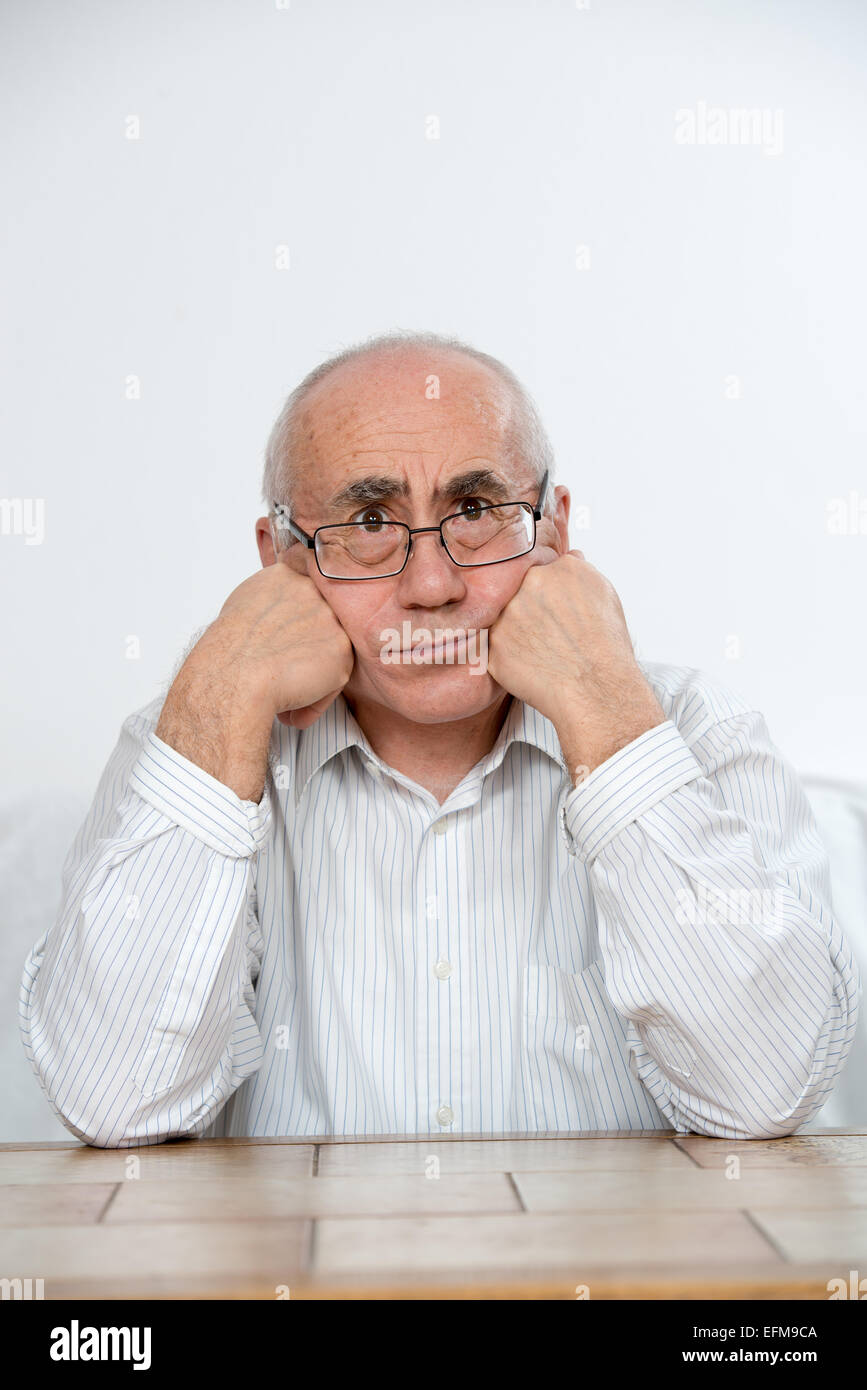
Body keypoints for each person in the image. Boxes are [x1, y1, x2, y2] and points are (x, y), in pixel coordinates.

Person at [19, 330, 861, 1147]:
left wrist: (607, 712)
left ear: (554, 534)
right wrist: (224, 685)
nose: (431, 584)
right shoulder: (190, 739)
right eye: (371, 520)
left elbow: (763, 1093)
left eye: (474, 509)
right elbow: (113, 1101)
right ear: (281, 558)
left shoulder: (698, 732)